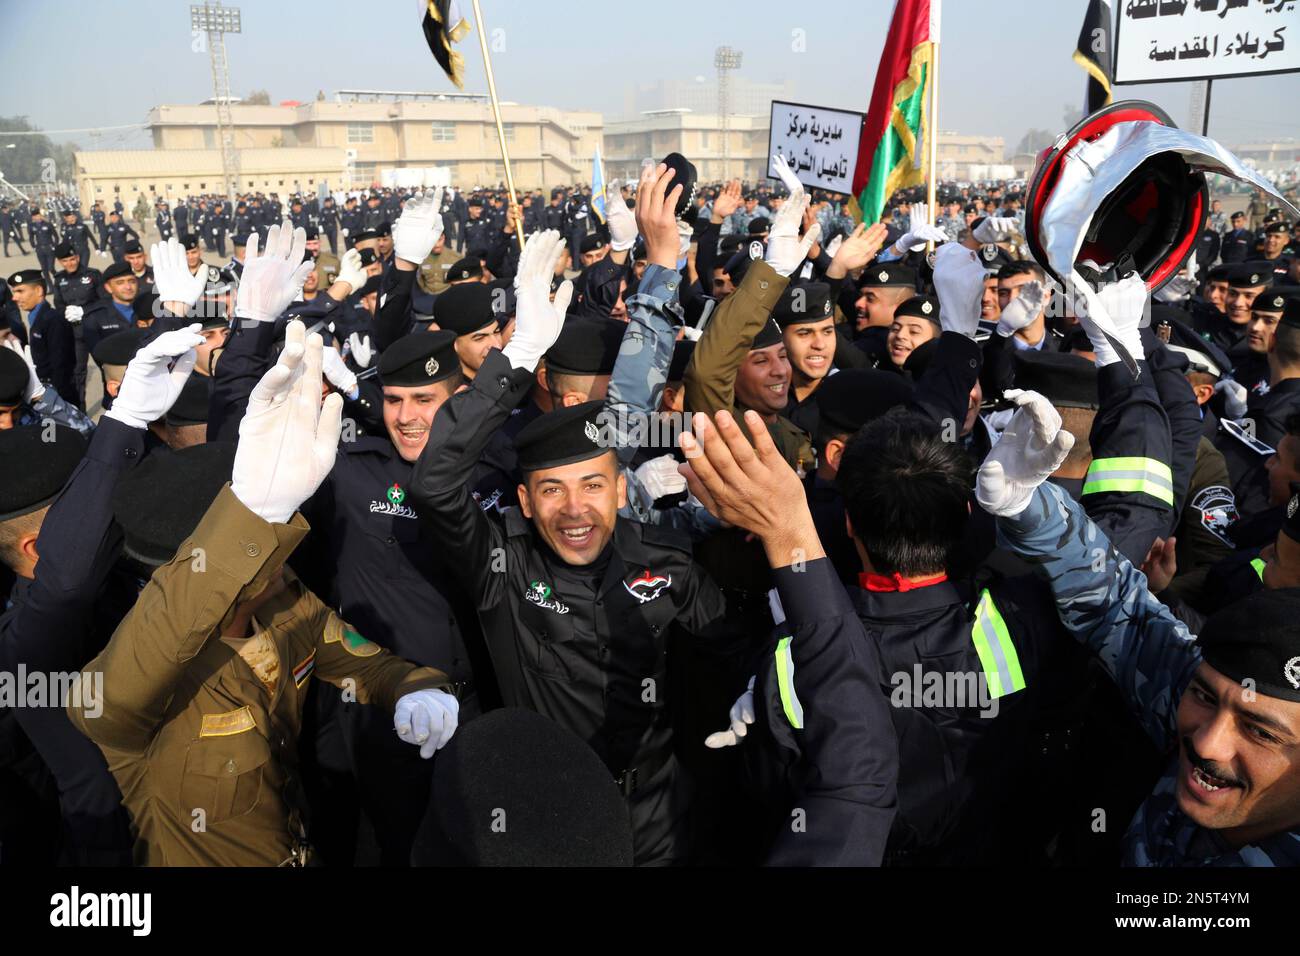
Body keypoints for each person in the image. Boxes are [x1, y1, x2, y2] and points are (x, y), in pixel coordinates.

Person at [67, 319, 460, 867]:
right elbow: (104, 700)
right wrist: (251, 518)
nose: (275, 556)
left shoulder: (284, 603)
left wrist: (416, 687)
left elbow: (359, 661)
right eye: (259, 545)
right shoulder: (142, 684)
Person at [409, 224, 737, 865]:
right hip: (544, 829)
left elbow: (726, 663)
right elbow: (436, 483)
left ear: (621, 491)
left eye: (592, 484)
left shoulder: (668, 565)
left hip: (658, 823)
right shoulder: (501, 566)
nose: (575, 510)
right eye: (552, 492)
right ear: (525, 503)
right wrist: (519, 353)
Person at [980, 391, 1300, 866]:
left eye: (1262, 733)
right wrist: (1029, 505)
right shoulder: (1213, 682)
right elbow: (1117, 605)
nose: (1206, 742)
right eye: (1204, 697)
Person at [7, 270, 77, 407]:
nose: (14, 297)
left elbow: (61, 365)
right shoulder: (36, 317)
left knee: (54, 429)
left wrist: (53, 400)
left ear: (39, 290)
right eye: (14, 292)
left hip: (57, 396)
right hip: (48, 392)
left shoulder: (53, 320)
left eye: (20, 291)